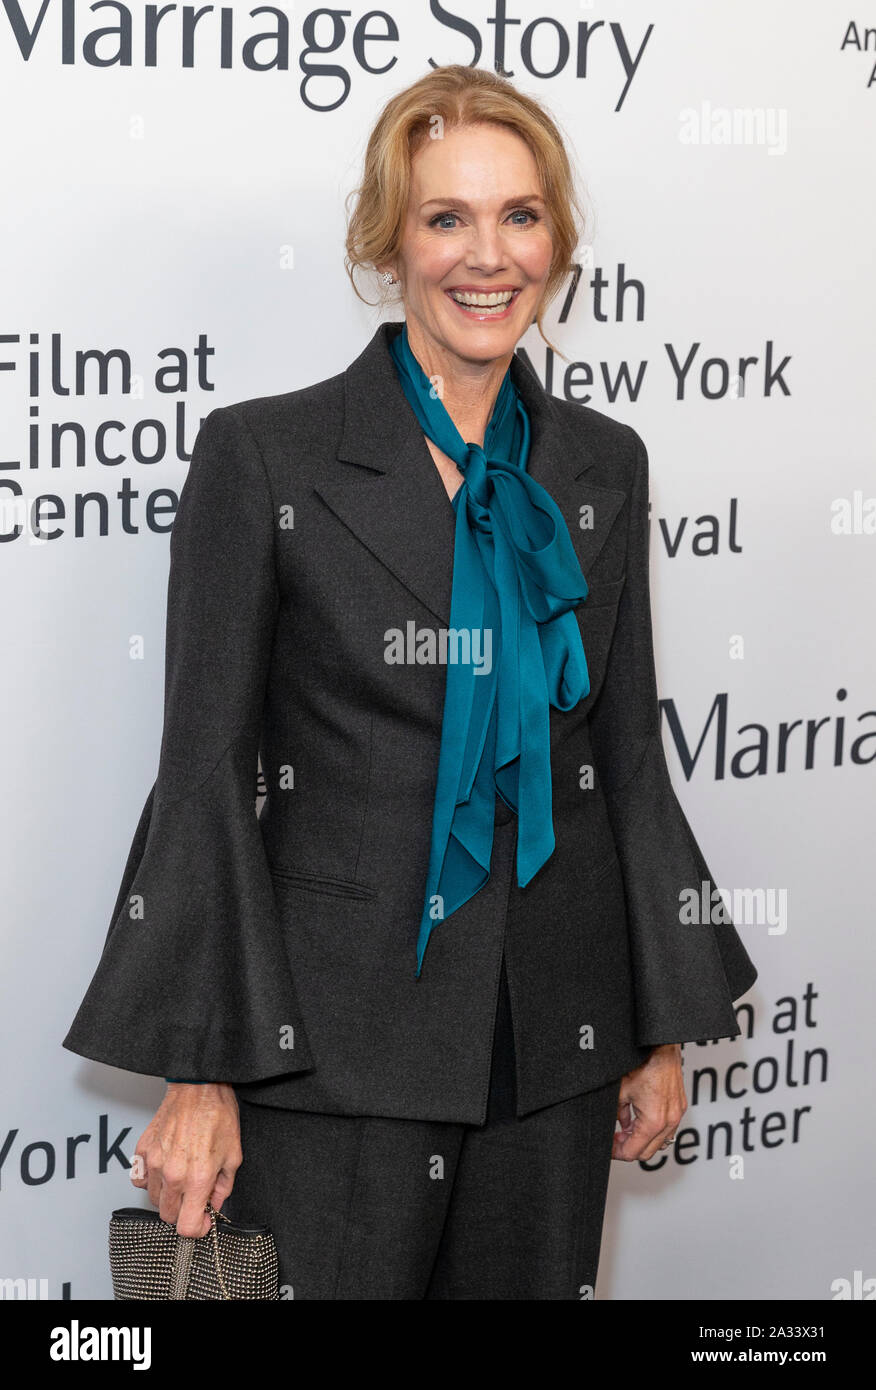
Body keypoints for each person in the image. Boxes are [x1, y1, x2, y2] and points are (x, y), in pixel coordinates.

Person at [64, 64, 757, 1300]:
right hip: (331, 1051)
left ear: (558, 241)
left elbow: (623, 760)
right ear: (389, 245)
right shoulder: (265, 455)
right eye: (447, 219)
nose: (486, 257)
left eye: (520, 216)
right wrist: (202, 1068)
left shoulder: (605, 462)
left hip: (553, 1041)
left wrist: (656, 1020)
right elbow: (207, 772)